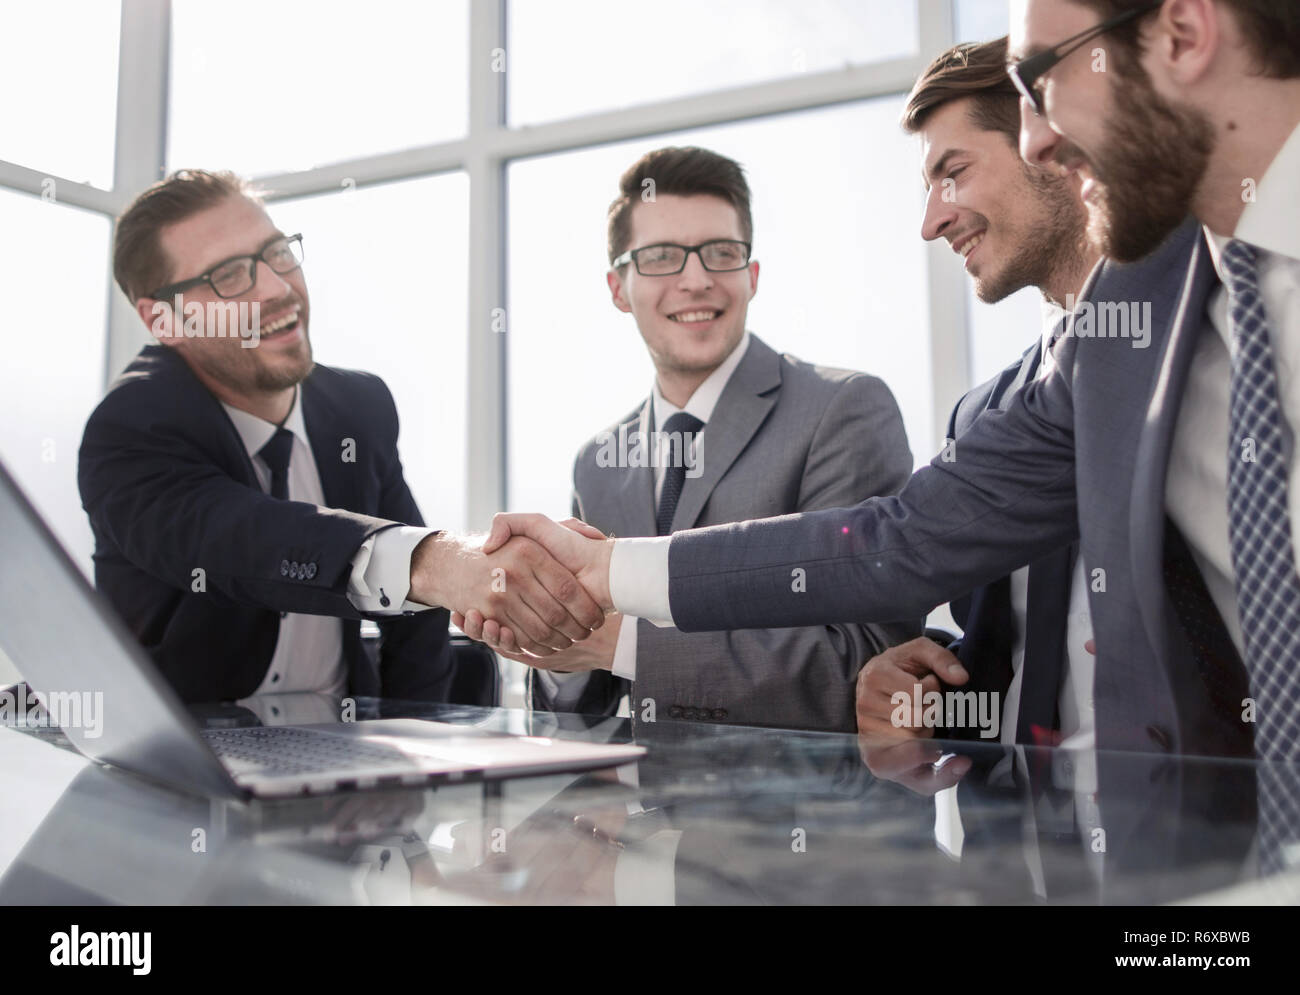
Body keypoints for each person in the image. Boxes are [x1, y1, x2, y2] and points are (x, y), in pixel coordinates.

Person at [477, 0, 1300, 770]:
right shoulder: (1115, 334)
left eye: (1043, 82)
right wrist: (603, 571)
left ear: (1187, 34)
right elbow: (905, 552)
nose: (1041, 137)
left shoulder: (851, 405)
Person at [79, 169, 604, 704]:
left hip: (343, 741)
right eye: (231, 276)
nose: (279, 289)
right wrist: (442, 563)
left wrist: (413, 748)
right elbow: (245, 540)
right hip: (185, 759)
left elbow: (415, 620)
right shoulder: (130, 428)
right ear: (163, 319)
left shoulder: (358, 407)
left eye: (277, 253)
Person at [460, 146, 917, 732]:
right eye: (661, 258)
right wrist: (549, 640)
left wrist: (616, 643)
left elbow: (862, 658)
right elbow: (574, 717)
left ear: (752, 277)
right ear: (618, 289)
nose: (696, 280)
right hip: (628, 811)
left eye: (721, 254)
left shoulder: (843, 410)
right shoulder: (597, 465)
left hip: (800, 813)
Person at [856, 37, 1102, 752]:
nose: (931, 221)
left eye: (952, 173)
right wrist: (920, 696)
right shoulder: (979, 416)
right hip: (1009, 859)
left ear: (1043, 142)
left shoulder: (1202, 346)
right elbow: (1001, 668)